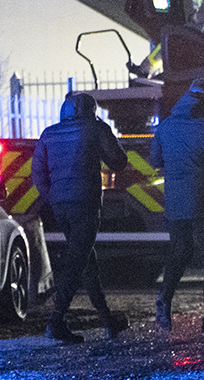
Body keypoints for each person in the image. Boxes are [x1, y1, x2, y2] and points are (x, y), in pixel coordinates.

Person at [32, 91, 131, 343]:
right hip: (85, 203)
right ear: (91, 110)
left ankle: (108, 320)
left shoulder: (48, 134)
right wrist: (103, 131)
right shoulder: (95, 128)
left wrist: (53, 196)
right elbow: (119, 161)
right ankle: (56, 321)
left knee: (86, 260)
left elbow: (38, 174)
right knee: (77, 262)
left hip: (60, 206)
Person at [151, 77, 204, 336]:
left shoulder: (165, 127)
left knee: (180, 252)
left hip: (174, 205)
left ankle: (165, 298)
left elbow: (155, 160)